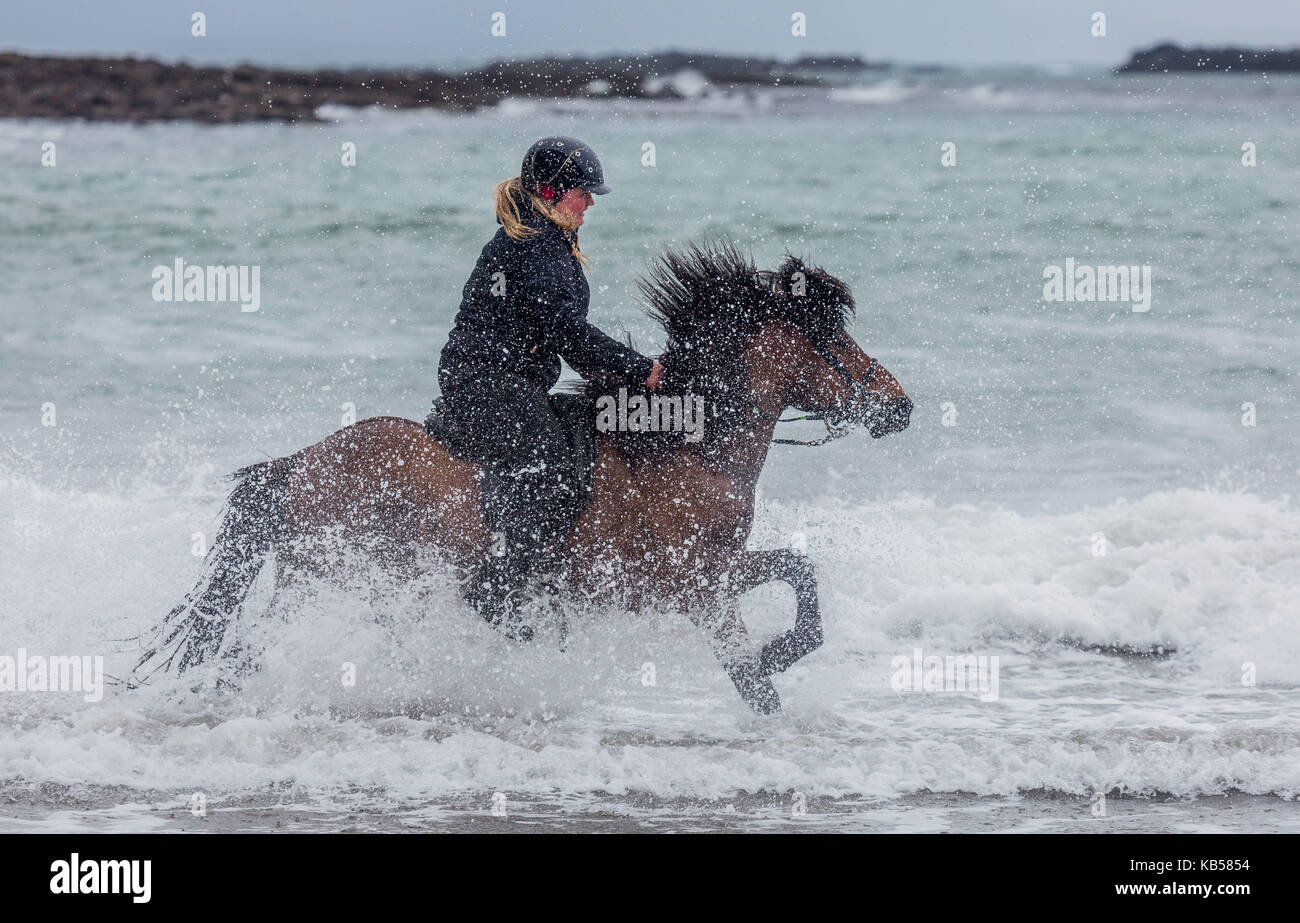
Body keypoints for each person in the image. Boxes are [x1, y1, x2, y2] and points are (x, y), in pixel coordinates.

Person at [432, 136, 663, 639]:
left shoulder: (548, 238)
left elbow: (563, 332)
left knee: (585, 431)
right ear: (550, 191)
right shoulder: (534, 247)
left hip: (517, 380)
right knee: (550, 461)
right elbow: (567, 334)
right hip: (484, 381)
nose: (591, 202)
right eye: (583, 192)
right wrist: (638, 367)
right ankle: (500, 585)